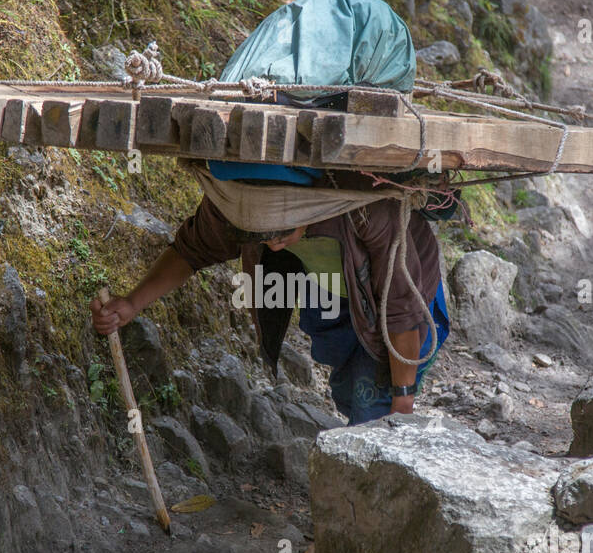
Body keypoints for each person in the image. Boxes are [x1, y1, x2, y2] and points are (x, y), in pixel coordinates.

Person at [90, 182, 449, 425]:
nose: (274, 246)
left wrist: (403, 401)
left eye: (281, 233)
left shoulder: (367, 210)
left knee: (375, 414)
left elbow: (401, 308)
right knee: (350, 395)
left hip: (405, 304)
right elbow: (191, 250)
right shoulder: (240, 201)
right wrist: (133, 303)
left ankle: (363, 529)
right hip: (334, 297)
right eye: (261, 238)